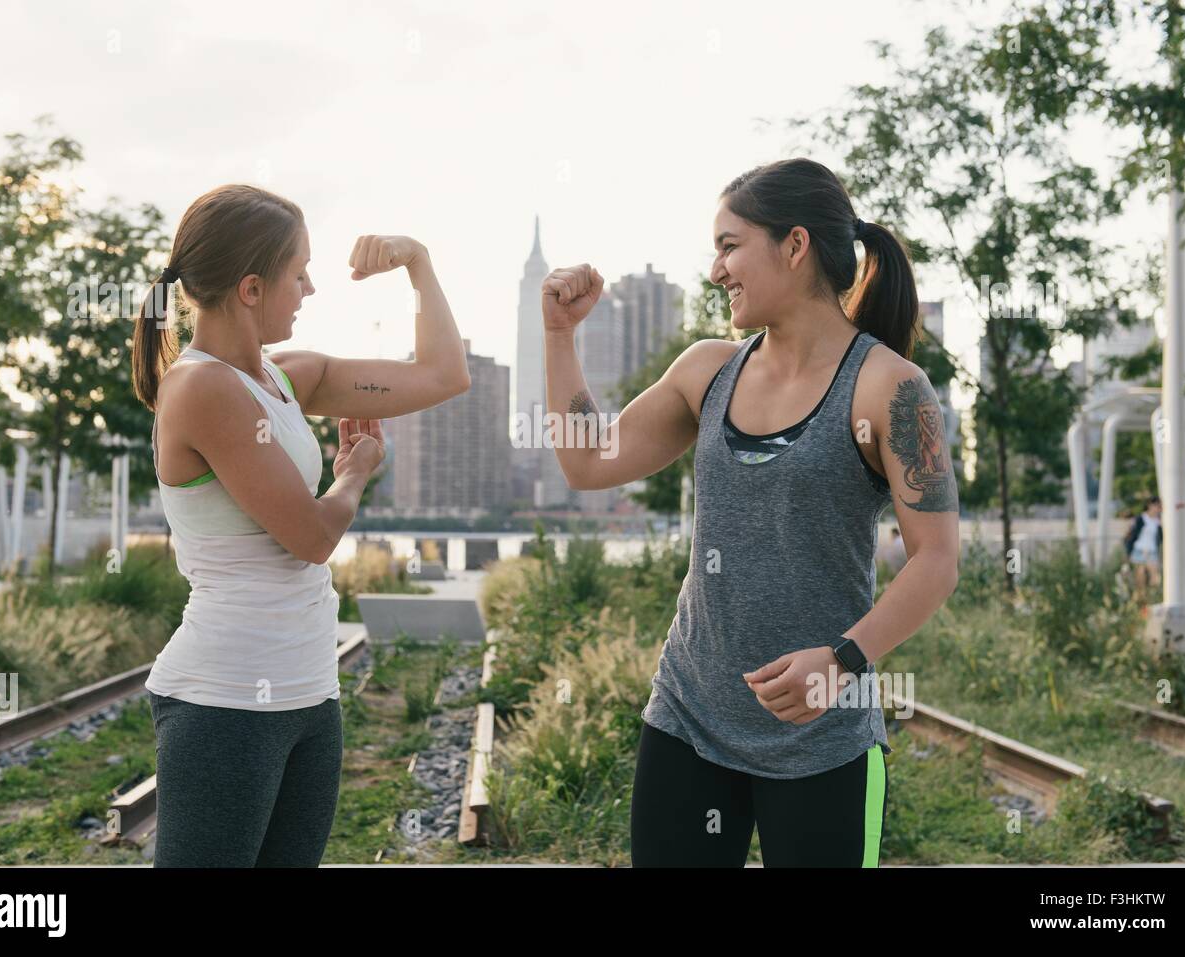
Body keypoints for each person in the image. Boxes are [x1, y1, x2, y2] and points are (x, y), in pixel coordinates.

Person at [541, 158, 960, 867]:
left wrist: (842, 660)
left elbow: (937, 559)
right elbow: (589, 462)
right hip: (687, 720)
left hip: (822, 737)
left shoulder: (890, 387)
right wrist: (559, 337)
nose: (715, 270)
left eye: (730, 245)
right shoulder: (706, 371)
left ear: (794, 246)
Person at [131, 184, 470, 866]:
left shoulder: (286, 378)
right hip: (224, 701)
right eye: (299, 272)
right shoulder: (202, 387)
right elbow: (311, 537)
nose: (310, 287)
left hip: (309, 692)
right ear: (252, 288)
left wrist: (420, 263)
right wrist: (355, 470)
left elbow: (443, 374)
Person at [1123, 495, 1162, 594]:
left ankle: (1152, 596)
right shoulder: (1141, 518)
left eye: (1159, 506)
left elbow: (1159, 538)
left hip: (1152, 551)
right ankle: (1141, 601)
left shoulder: (1158, 521)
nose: (1157, 508)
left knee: (1155, 578)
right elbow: (1132, 534)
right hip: (1139, 550)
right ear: (1150, 505)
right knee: (1140, 579)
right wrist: (1128, 551)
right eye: (1155, 505)